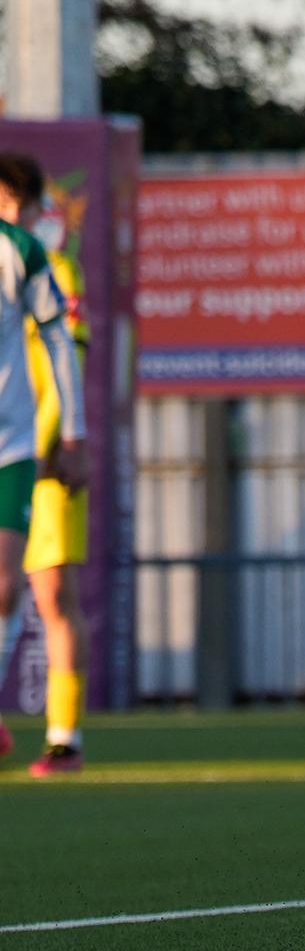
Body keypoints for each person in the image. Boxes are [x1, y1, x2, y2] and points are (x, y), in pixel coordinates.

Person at [0, 153, 87, 772]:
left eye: (16, 204)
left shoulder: (47, 263)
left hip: (34, 449)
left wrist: (65, 440)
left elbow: (64, 348)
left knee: (48, 592)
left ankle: (65, 737)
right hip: (29, 445)